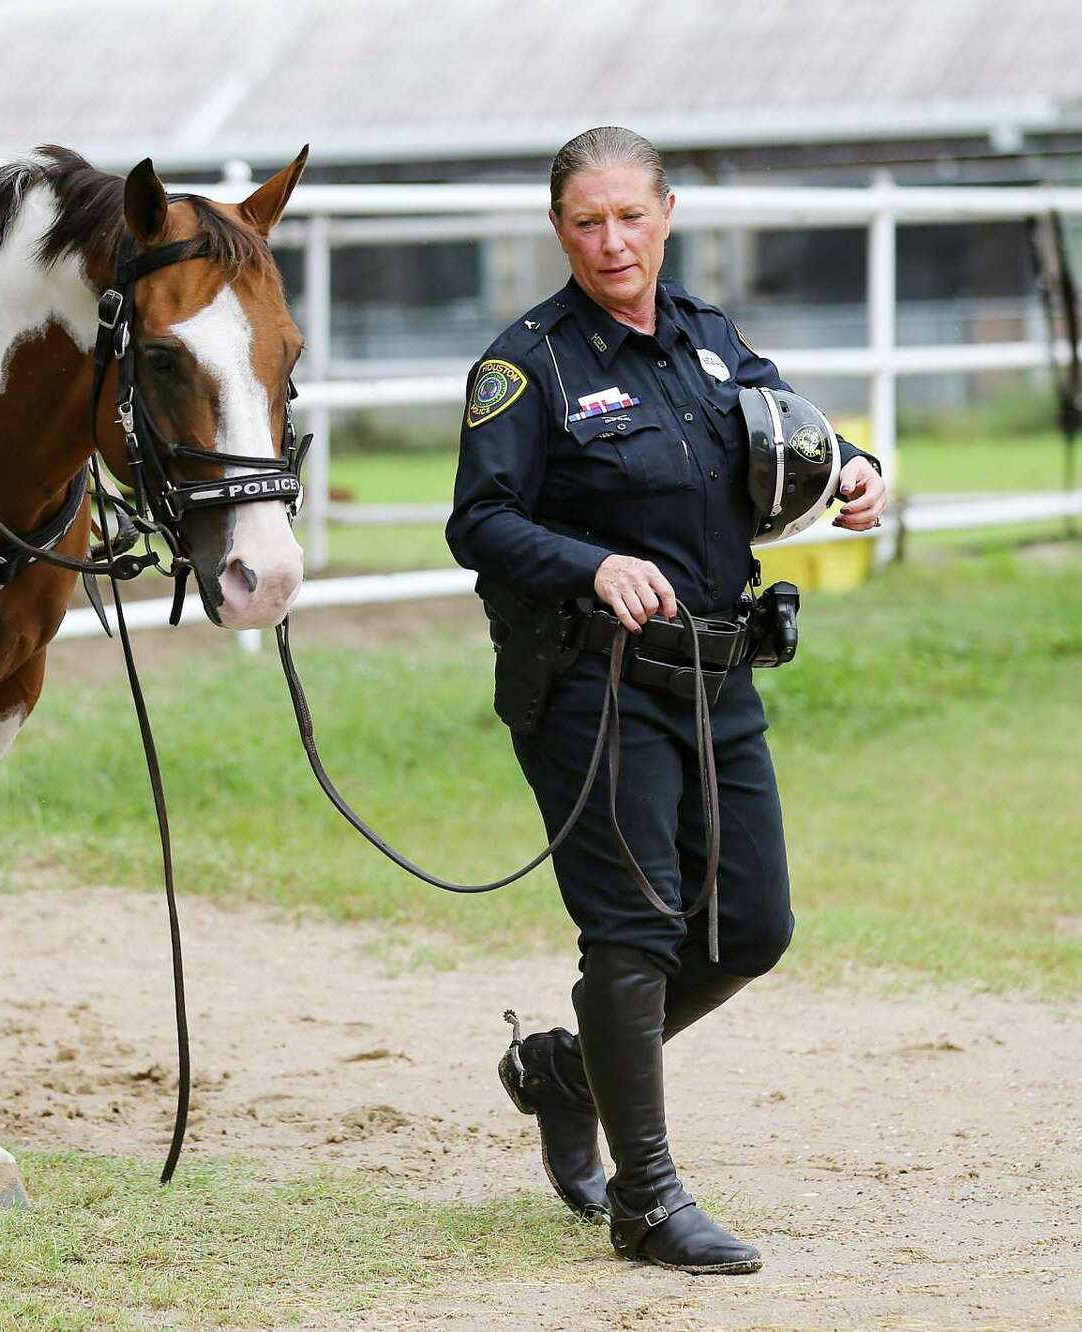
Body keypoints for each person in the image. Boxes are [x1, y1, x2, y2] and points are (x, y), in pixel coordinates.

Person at [445, 126, 889, 1275]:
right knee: (633, 930)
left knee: (753, 928)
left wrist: (851, 468)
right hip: (589, 685)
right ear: (560, 229)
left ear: (668, 212)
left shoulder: (705, 337)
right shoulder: (525, 365)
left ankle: (564, 1073)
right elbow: (479, 522)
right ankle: (645, 1202)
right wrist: (587, 563)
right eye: (587, 222)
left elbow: (783, 421)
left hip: (719, 676)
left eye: (630, 217)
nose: (611, 242)